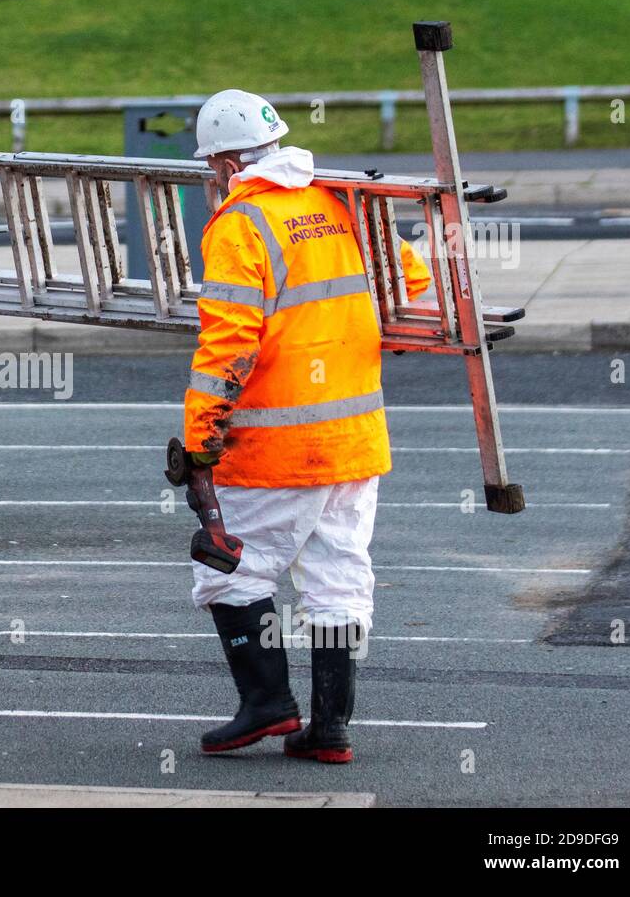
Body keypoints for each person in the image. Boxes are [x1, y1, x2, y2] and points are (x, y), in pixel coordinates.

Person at [183, 89, 431, 763]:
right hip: (355, 440)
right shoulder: (338, 200)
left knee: (231, 573)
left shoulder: (242, 223)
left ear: (229, 162)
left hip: (275, 446)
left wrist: (201, 434)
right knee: (337, 580)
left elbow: (229, 342)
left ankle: (267, 705)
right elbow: (407, 278)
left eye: (212, 167)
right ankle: (330, 731)